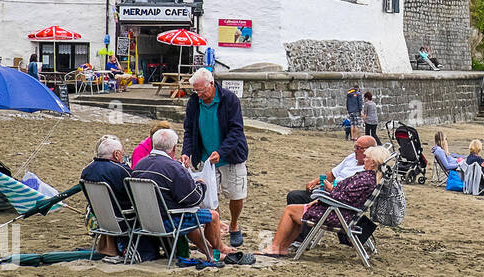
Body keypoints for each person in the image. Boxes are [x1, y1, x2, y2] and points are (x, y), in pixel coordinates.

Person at [259, 145, 389, 256]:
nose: (364, 159)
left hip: (337, 215)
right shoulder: (368, 178)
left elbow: (344, 199)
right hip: (341, 212)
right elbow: (347, 197)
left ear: (372, 162)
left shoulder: (364, 179)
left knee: (290, 210)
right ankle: (283, 248)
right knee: (295, 208)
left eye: (366, 157)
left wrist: (321, 198)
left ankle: (275, 247)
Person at [134, 128, 235, 258]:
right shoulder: (173, 168)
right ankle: (217, 253)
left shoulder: (140, 164)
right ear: (174, 148)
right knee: (213, 216)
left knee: (189, 219)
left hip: (144, 221)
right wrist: (201, 184)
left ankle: (209, 252)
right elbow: (193, 199)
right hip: (168, 221)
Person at [181, 68, 250, 248]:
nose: (199, 94)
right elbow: (189, 130)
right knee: (210, 197)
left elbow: (236, 130)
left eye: (202, 90)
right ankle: (217, 231)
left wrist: (222, 151)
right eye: (196, 91)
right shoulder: (194, 102)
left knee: (236, 194)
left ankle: (234, 224)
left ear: (211, 84)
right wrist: (186, 152)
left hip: (231, 156)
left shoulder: (229, 99)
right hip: (206, 158)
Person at [80, 135, 133, 259]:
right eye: (121, 154)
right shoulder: (120, 170)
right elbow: (134, 195)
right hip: (122, 220)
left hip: (100, 219)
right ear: (116, 154)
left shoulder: (86, 171)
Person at [289, 135, 377, 206]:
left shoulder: (366, 173)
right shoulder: (352, 157)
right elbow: (332, 174)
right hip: (329, 192)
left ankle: (304, 225)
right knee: (295, 196)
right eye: (355, 147)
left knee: (294, 199)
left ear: (368, 151)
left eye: (358, 148)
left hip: (336, 200)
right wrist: (316, 181)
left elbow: (348, 196)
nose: (355, 150)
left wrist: (332, 189)